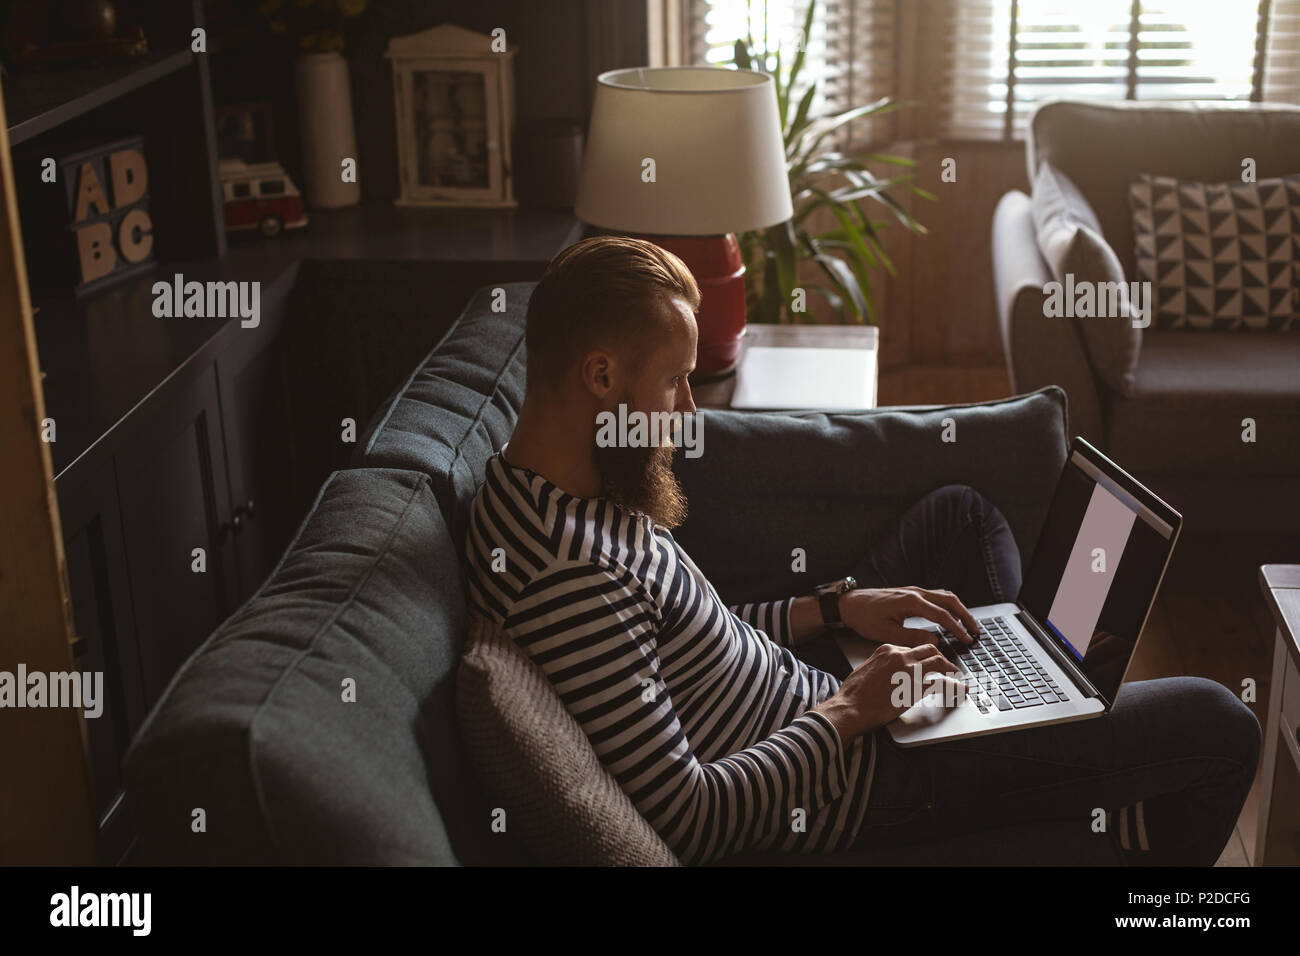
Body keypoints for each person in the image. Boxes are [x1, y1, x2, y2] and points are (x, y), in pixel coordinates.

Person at [463, 235, 1260, 866]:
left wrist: (834, 609)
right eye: (674, 383)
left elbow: (686, 633)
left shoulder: (552, 485)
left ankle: (1022, 692)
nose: (686, 413)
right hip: (859, 782)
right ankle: (1061, 772)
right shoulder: (565, 575)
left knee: (962, 519)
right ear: (600, 375)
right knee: (1220, 723)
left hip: (822, 697)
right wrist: (855, 708)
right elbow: (692, 819)